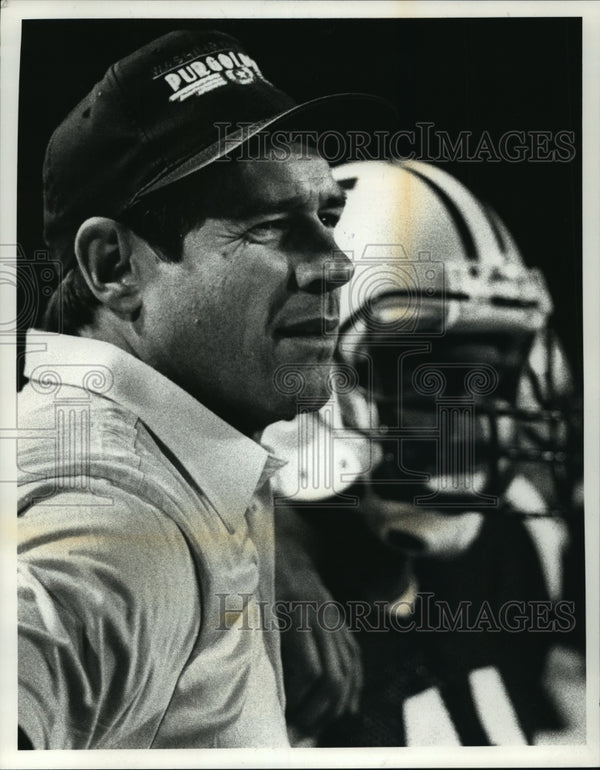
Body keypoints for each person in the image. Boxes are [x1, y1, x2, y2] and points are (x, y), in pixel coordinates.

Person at [16, 29, 395, 749]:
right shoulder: (118, 519)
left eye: (326, 216)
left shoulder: (166, 458)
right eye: (269, 226)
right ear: (114, 266)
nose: (336, 263)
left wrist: (271, 540)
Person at [267, 160, 584, 746]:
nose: (469, 426)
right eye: (425, 379)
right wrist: (249, 538)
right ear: (311, 373)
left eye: (485, 380)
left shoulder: (515, 550)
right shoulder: (236, 609)